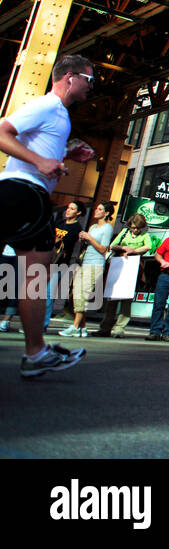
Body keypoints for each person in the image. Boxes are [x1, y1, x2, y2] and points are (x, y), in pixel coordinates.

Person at [0, 53, 97, 377]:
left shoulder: (59, 116)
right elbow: (2, 131)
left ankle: (36, 352)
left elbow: (35, 148)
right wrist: (41, 163)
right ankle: (35, 352)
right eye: (89, 79)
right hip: (22, 193)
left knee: (34, 278)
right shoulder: (47, 106)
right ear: (70, 78)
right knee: (33, 278)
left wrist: (66, 152)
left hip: (26, 195)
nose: (91, 87)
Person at [57, 201, 115, 339]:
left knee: (82, 294)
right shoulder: (93, 226)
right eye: (96, 208)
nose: (96, 211)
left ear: (106, 213)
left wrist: (89, 238)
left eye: (100, 209)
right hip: (85, 262)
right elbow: (89, 245)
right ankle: (82, 328)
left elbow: (103, 249)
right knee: (76, 293)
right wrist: (83, 239)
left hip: (96, 265)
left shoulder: (107, 228)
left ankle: (75, 327)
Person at [96, 214, 155, 337]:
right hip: (119, 264)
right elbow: (112, 245)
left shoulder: (145, 235)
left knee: (126, 299)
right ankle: (105, 327)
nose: (135, 230)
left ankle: (119, 328)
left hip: (133, 266)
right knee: (112, 297)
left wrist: (134, 250)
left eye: (137, 228)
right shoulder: (124, 232)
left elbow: (148, 246)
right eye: (133, 227)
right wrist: (124, 247)